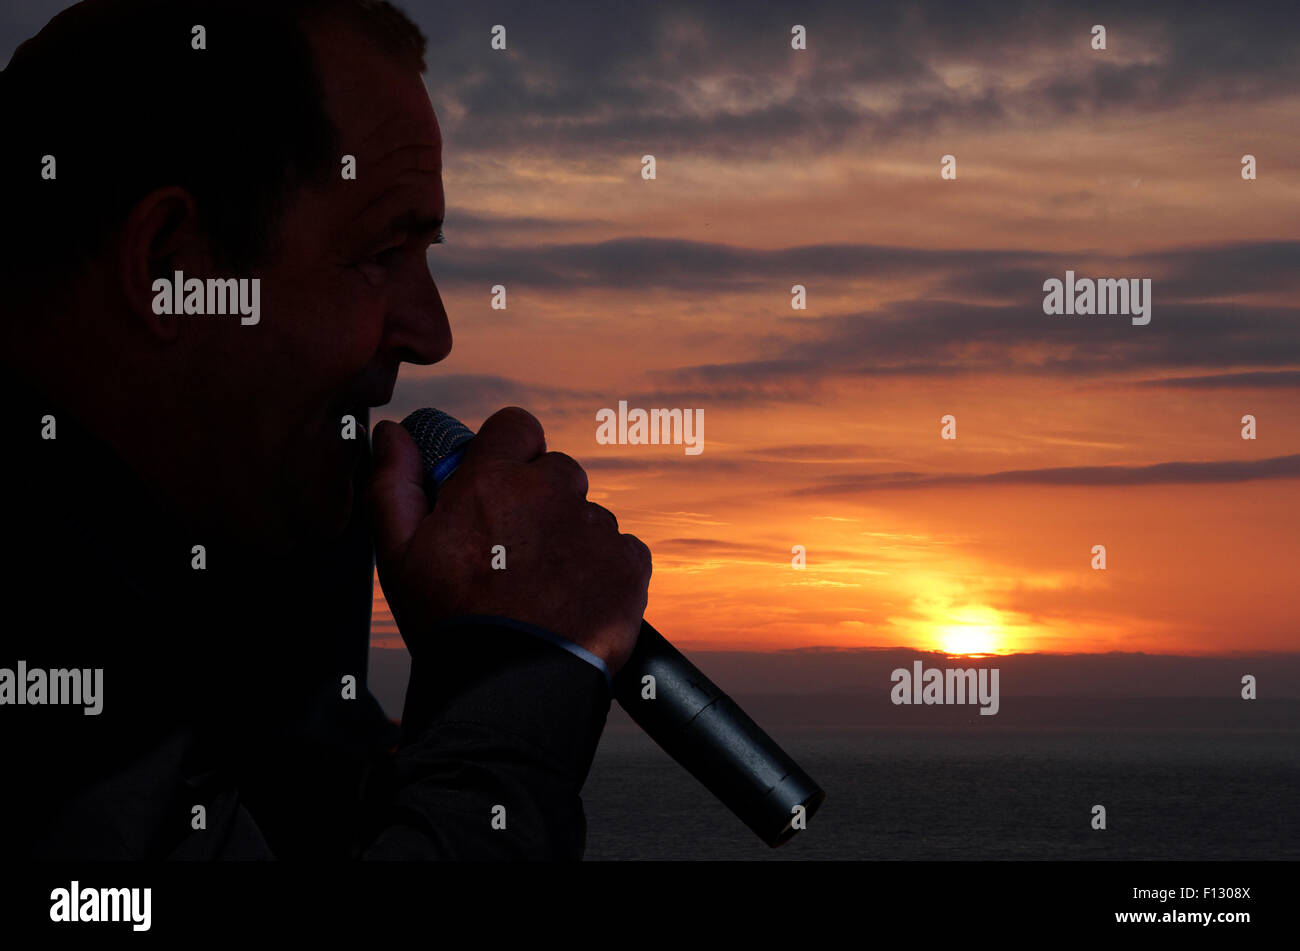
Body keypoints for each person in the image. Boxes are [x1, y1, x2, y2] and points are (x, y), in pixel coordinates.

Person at [0, 0, 651, 859]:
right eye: (382, 254)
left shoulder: (199, 562)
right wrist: (514, 697)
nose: (433, 330)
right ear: (169, 270)